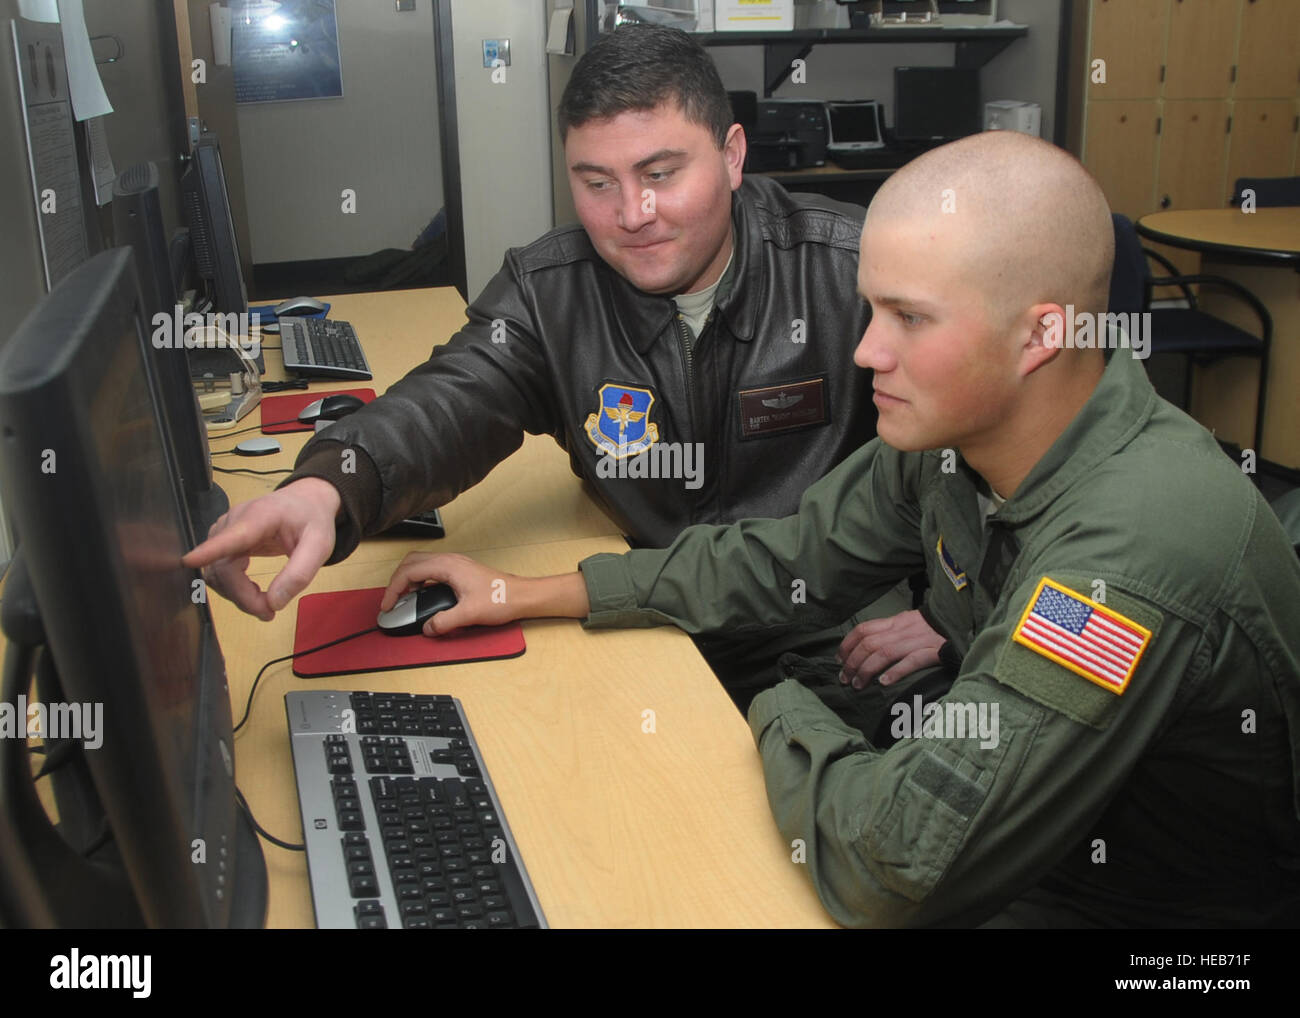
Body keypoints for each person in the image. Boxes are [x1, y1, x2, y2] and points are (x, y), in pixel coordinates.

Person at [381, 131, 1300, 927]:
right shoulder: (959, 441)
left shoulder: (1128, 562)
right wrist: (527, 592)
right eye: (872, 309)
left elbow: (892, 868)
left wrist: (775, 706)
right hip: (1035, 836)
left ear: (1039, 337)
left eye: (909, 318)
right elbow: (788, 555)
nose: (867, 352)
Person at [183, 24, 949, 708]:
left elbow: (1004, 445)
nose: (631, 214)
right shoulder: (553, 293)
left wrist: (954, 615)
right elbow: (453, 398)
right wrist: (328, 486)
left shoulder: (850, 270)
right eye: (596, 183)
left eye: (660, 173)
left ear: (732, 154)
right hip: (648, 617)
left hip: (834, 642)